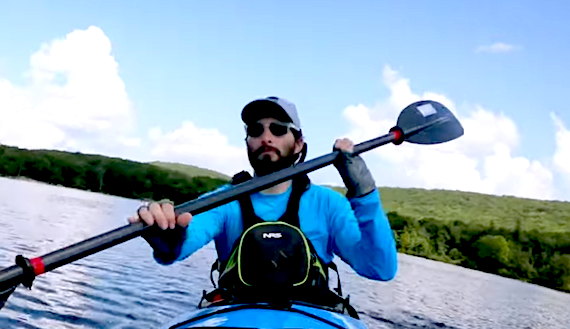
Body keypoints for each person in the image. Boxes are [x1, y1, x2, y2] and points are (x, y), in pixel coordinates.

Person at [129, 96, 397, 304]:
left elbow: (380, 268)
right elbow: (181, 242)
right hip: (235, 326)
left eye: (279, 129)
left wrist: (363, 190)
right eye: (256, 130)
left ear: (299, 143)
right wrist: (168, 238)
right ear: (247, 142)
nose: (266, 138)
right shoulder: (224, 200)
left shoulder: (329, 205)